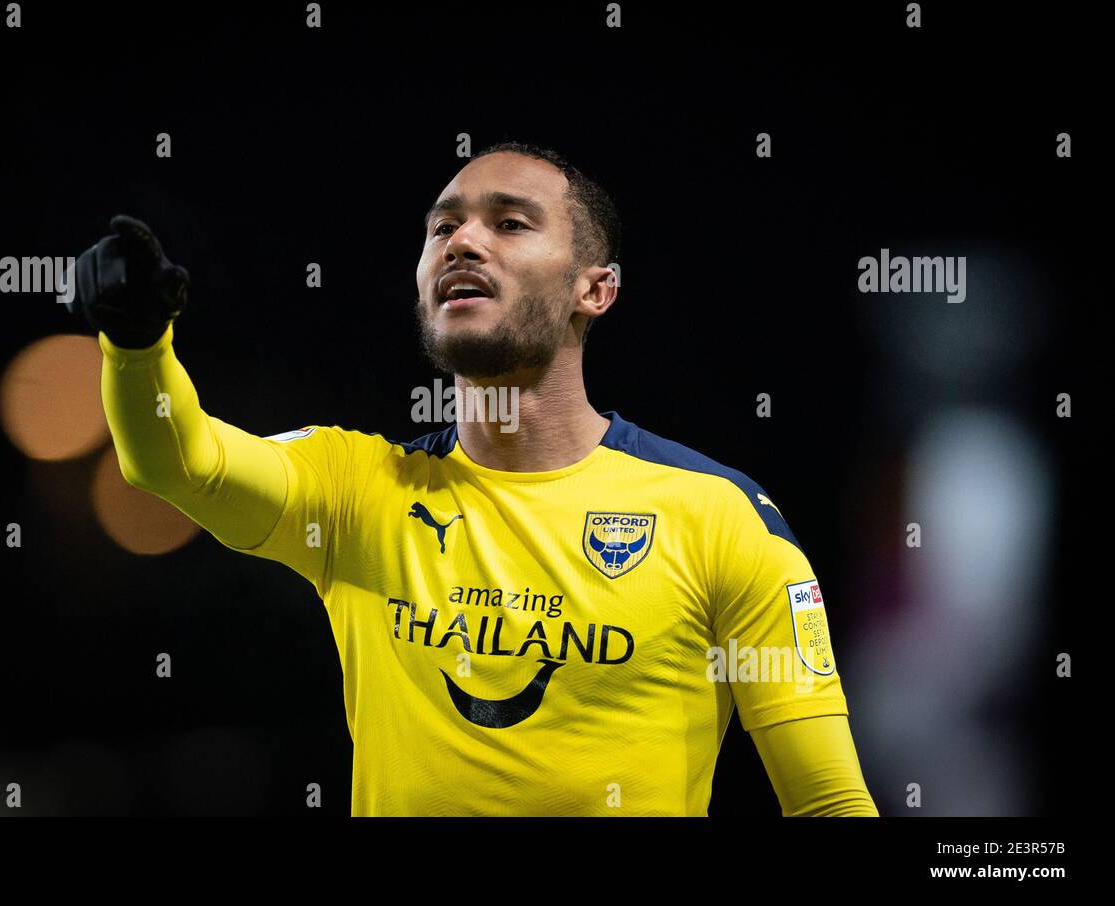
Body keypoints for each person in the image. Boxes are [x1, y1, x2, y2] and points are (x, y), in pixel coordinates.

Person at [70, 142, 878, 816]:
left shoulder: (719, 517)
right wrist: (138, 348)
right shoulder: (356, 488)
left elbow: (829, 803)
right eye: (443, 228)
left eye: (510, 224)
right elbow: (176, 464)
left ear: (595, 288)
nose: (461, 242)